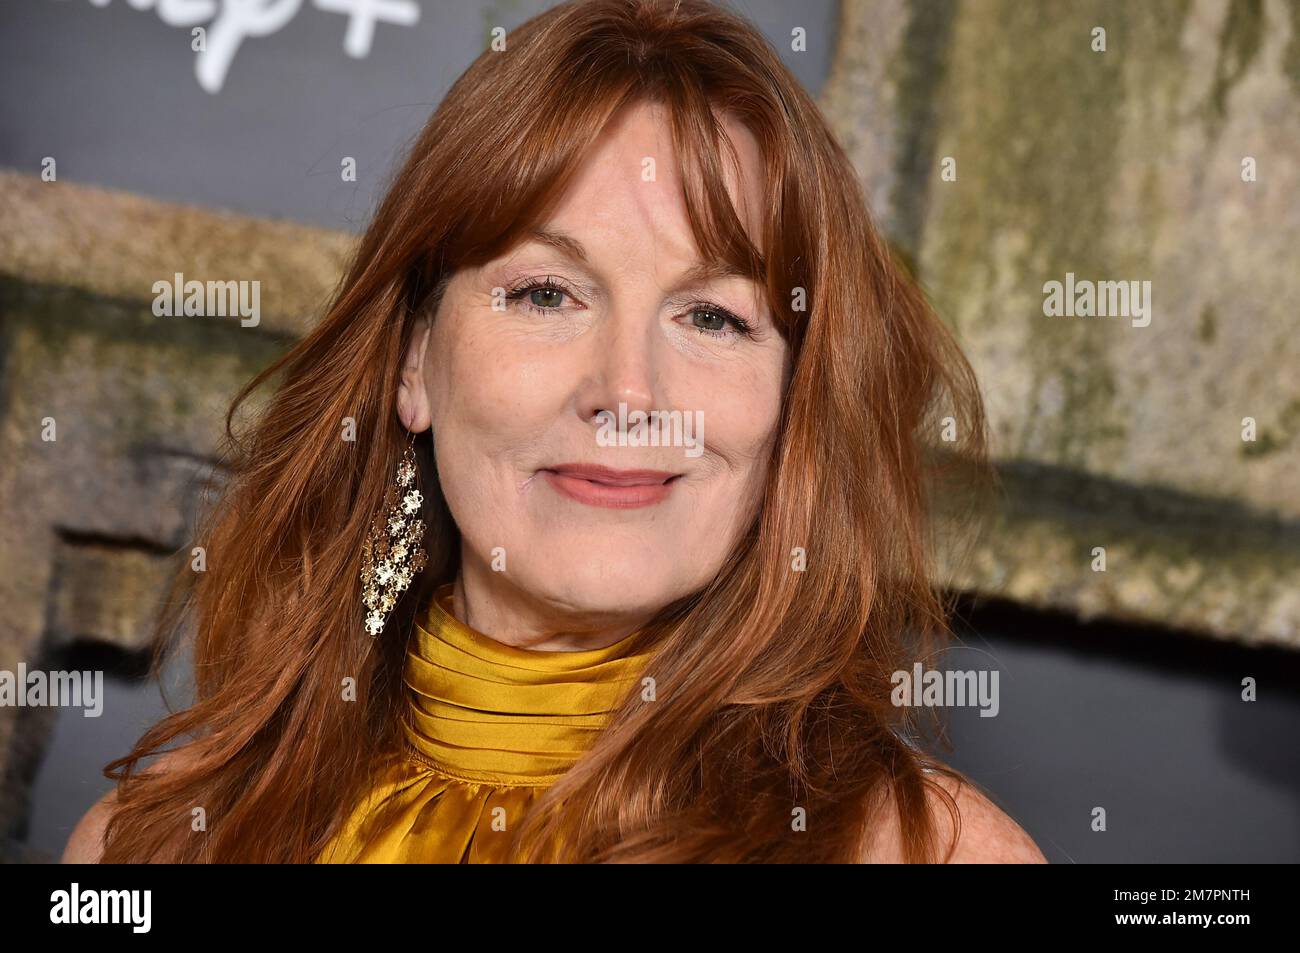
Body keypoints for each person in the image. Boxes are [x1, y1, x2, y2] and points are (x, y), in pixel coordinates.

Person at [66, 0, 1044, 864]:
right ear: (414, 362)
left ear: (795, 404)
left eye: (713, 316)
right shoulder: (148, 839)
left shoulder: (933, 853)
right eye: (544, 292)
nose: (626, 390)